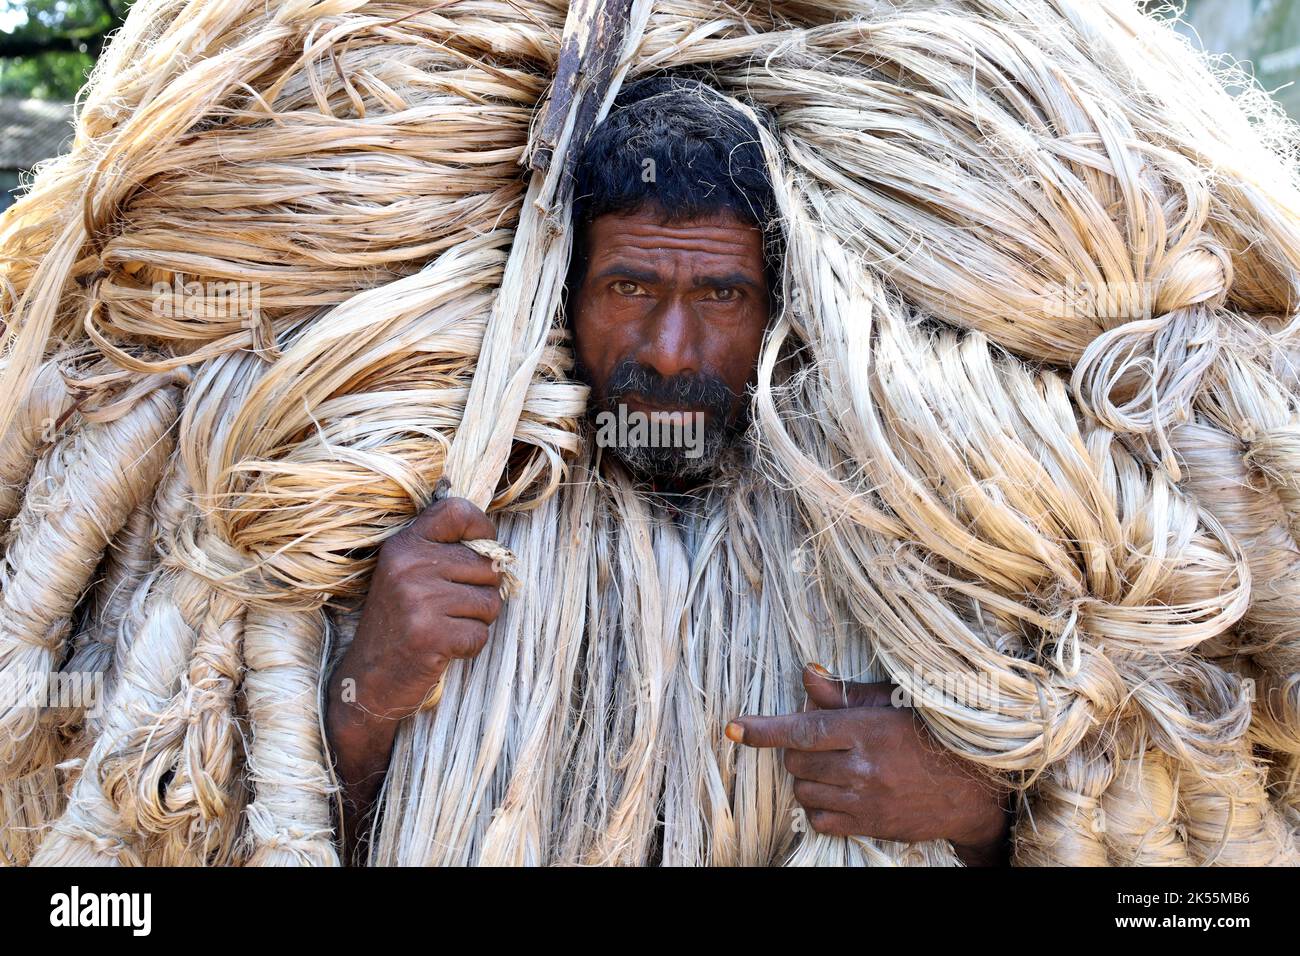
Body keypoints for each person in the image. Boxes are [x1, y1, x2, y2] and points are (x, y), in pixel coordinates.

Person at [325, 75, 1012, 866]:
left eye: (722, 295)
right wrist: (365, 700)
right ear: (565, 295)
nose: (669, 351)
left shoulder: (890, 543)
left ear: (780, 310)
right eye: (629, 287)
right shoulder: (440, 516)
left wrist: (976, 811)